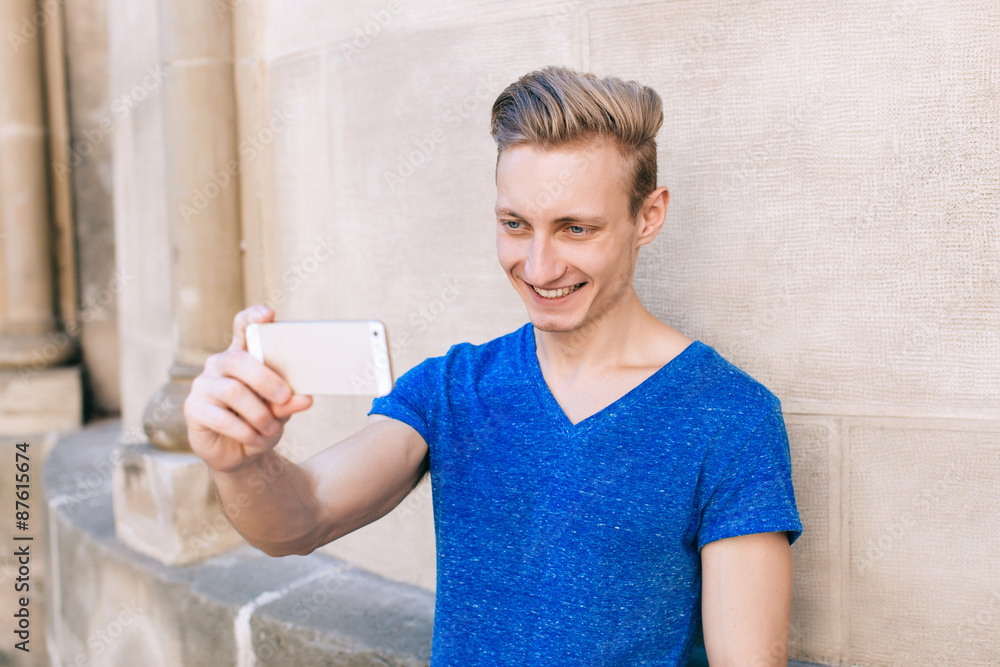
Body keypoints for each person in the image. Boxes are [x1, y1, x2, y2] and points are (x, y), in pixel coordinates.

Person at [184, 66, 802, 666]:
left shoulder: (730, 417)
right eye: (515, 225)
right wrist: (241, 463)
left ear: (649, 216)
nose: (537, 267)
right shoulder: (451, 389)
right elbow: (300, 520)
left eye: (575, 229)